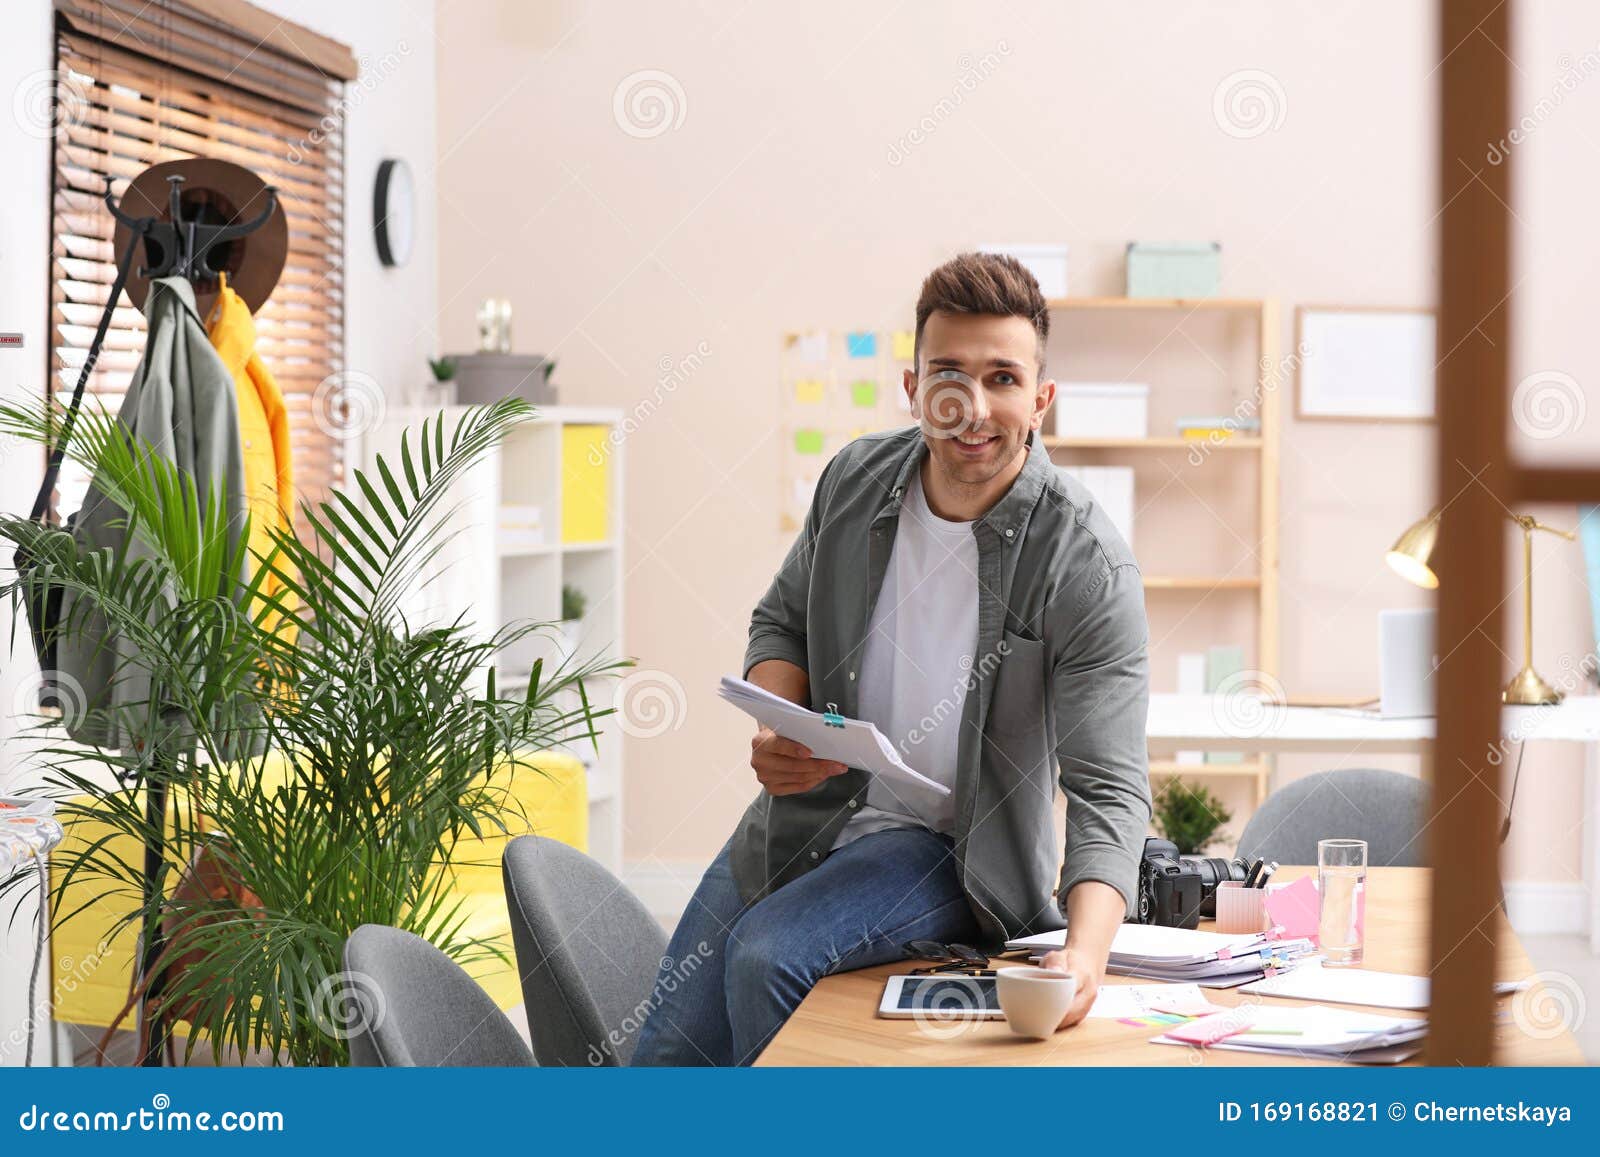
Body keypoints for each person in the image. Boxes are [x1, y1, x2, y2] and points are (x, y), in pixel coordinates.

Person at [631, 252, 1151, 1066]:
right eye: (948, 373)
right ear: (912, 388)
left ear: (1041, 399)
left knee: (768, 956)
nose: (972, 407)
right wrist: (779, 731)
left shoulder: (1083, 564)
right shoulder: (853, 481)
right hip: (806, 822)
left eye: (1004, 378)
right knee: (664, 1060)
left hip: (951, 850)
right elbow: (783, 620)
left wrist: (1083, 956)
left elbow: (1109, 789)